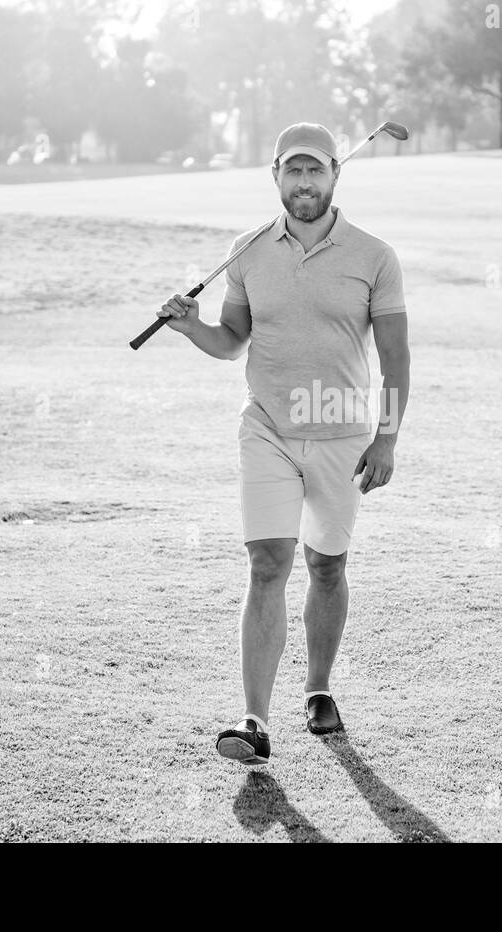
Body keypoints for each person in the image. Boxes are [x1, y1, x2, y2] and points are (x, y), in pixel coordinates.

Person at [154, 122, 411, 765]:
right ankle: (254, 721)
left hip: (343, 435)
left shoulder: (374, 255)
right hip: (266, 426)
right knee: (267, 564)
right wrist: (190, 328)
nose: (304, 183)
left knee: (326, 564)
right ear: (274, 176)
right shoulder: (247, 252)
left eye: (315, 170)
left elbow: (396, 356)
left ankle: (319, 688)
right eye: (292, 171)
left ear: (334, 175)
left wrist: (387, 439)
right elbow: (231, 341)